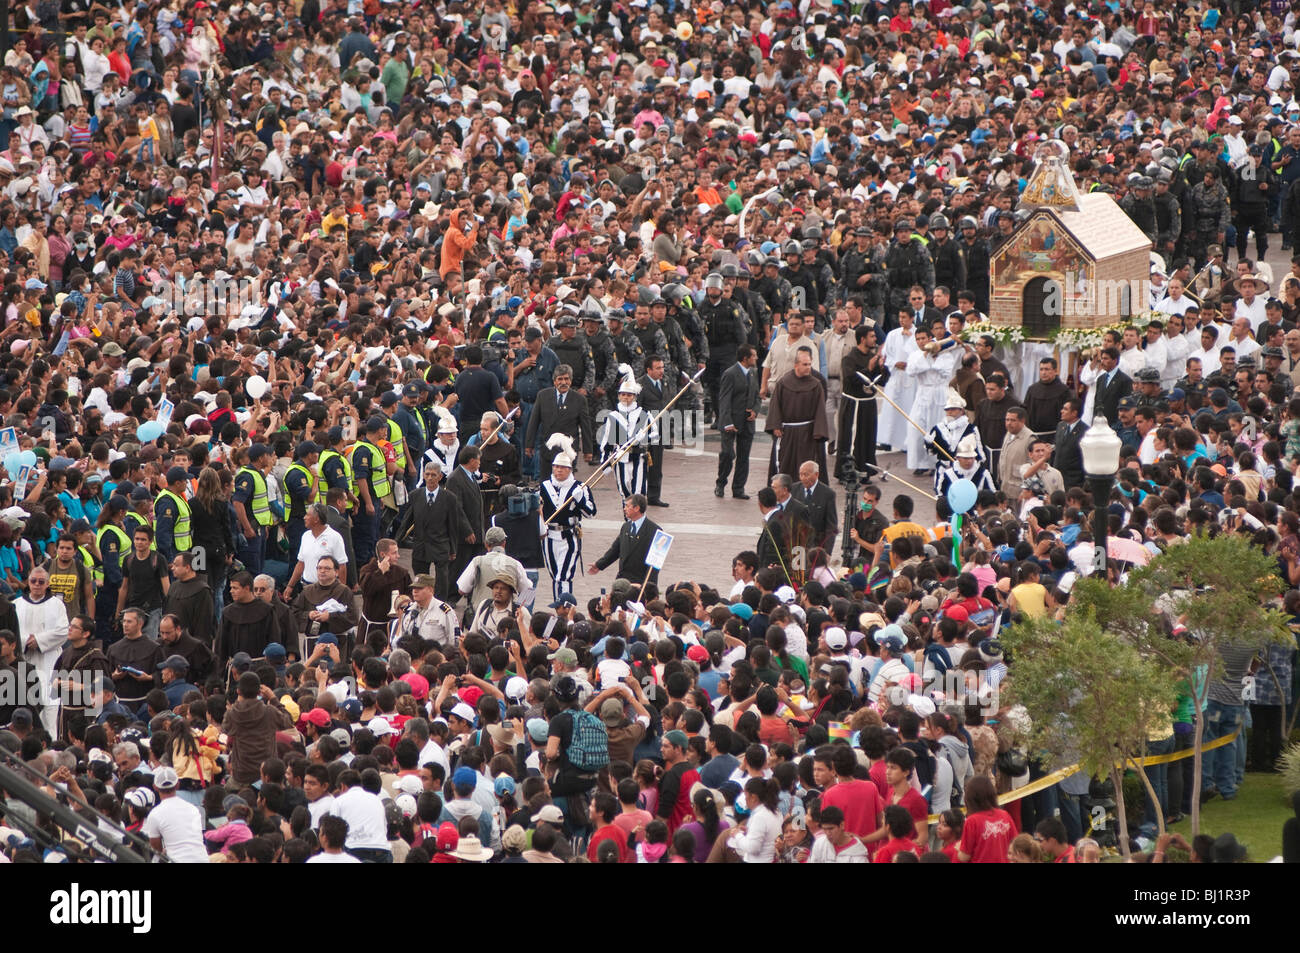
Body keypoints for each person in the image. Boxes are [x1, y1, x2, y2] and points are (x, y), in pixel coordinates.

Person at [538, 436, 596, 602]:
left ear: (570, 469)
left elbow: (590, 513)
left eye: (563, 467)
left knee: (563, 577)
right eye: (556, 467)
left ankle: (563, 609)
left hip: (569, 536)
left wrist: (581, 501)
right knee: (554, 575)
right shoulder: (544, 486)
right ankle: (559, 605)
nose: (559, 470)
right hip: (549, 536)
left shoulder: (580, 487)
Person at [766, 347, 830, 481]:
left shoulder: (816, 384)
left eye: (809, 364)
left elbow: (820, 410)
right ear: (796, 365)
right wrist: (775, 425)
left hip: (807, 433)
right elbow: (775, 404)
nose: (808, 368)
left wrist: (818, 431)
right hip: (787, 432)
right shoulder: (784, 382)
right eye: (805, 364)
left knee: (807, 464)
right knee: (785, 464)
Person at [598, 365, 657, 501]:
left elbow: (655, 435)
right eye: (623, 394)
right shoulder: (612, 417)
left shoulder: (644, 414)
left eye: (629, 395)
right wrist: (605, 462)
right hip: (621, 458)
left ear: (635, 396)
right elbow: (606, 441)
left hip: (639, 458)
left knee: (639, 493)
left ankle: (638, 520)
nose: (626, 397)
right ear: (618, 396)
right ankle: (628, 520)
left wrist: (644, 438)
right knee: (624, 491)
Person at [716, 344, 760, 499]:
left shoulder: (754, 373)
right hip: (731, 422)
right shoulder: (730, 374)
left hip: (747, 423)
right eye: (754, 356)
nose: (756, 358)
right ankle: (721, 483)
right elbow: (724, 399)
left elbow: (756, 396)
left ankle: (739, 488)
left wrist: (755, 410)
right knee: (727, 454)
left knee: (744, 456)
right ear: (745, 358)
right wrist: (727, 421)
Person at [142, 767, 209, 863]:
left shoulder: (154, 814)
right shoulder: (194, 809)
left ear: (155, 787)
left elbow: (156, 849)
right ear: (177, 785)